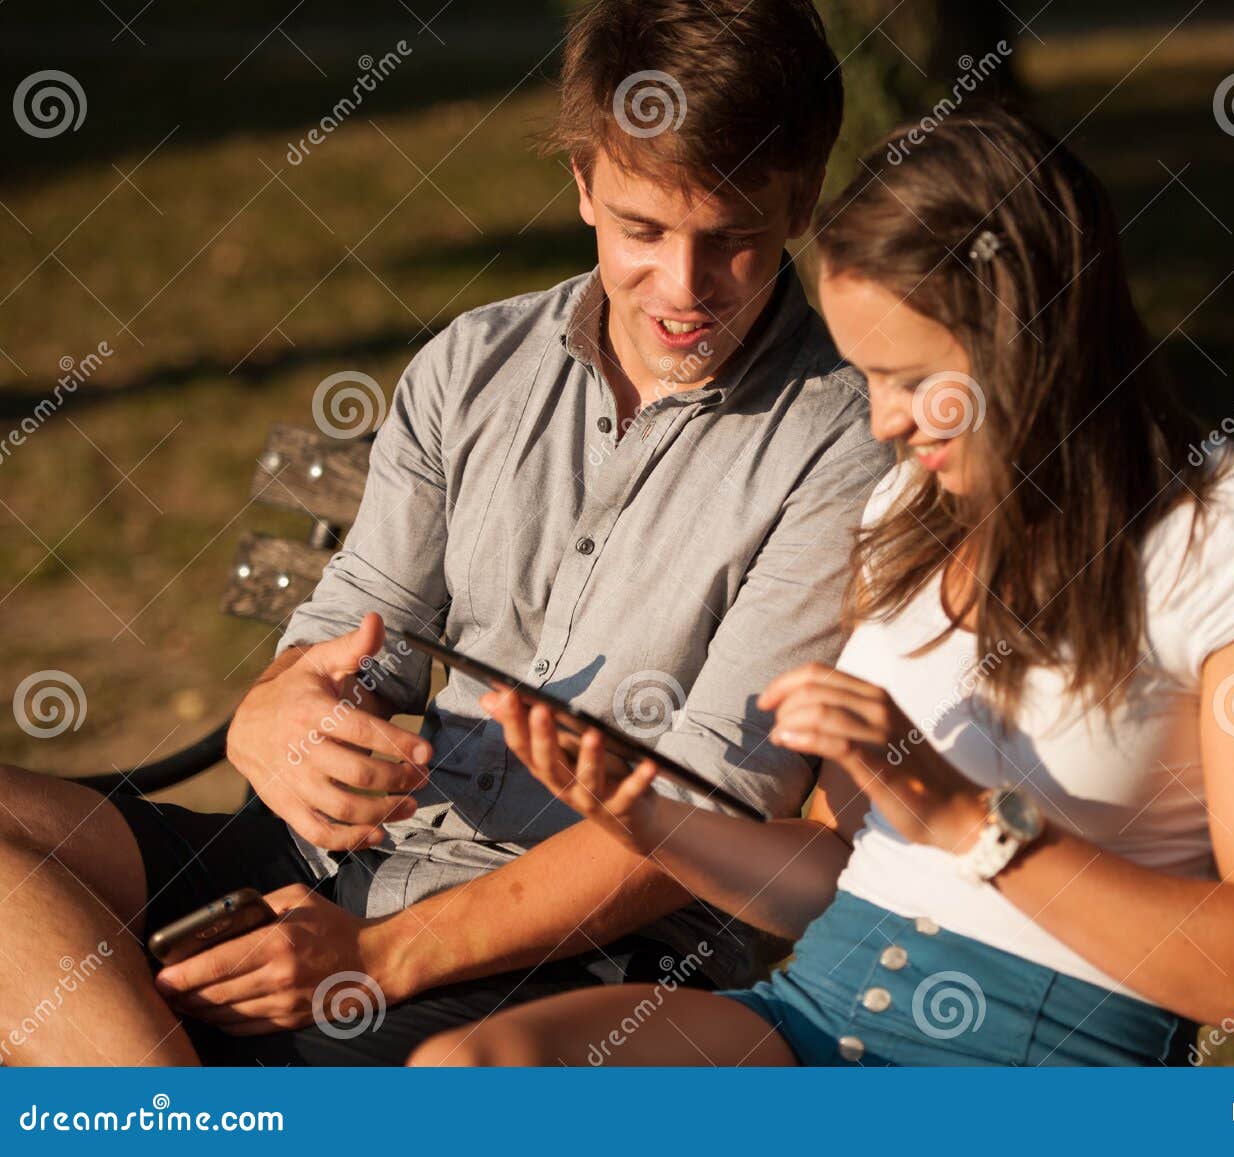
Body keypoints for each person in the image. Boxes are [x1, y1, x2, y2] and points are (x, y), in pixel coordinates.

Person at [0, 0, 893, 1065]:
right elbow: (356, 626)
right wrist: (289, 719)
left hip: (561, 953)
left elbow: (709, 810)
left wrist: (377, 954)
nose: (684, 288)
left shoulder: (845, 439)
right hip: (330, 863)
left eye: (733, 240)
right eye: (641, 230)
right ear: (580, 182)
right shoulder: (474, 360)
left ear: (799, 204)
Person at [409, 105, 1234, 1068]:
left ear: (1036, 336)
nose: (885, 423)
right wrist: (647, 818)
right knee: (474, 1074)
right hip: (813, 1020)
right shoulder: (912, 514)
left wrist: (968, 821)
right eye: (868, 375)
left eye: (913, 378)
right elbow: (834, 877)